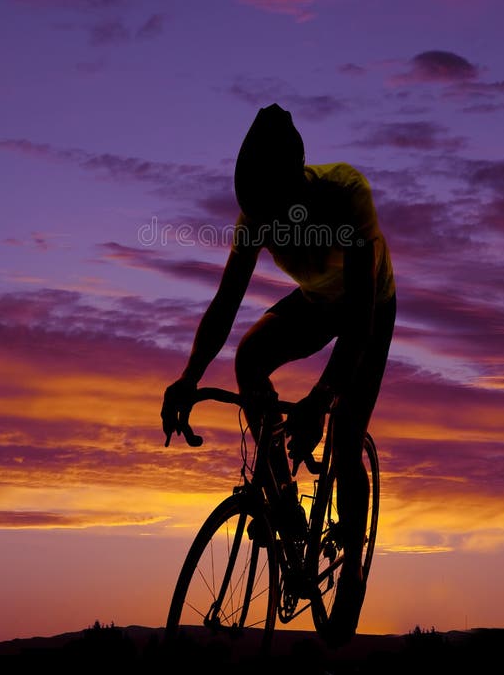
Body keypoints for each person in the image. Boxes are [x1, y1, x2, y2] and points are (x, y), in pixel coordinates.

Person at [161, 103, 396, 644]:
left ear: (297, 185)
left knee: (343, 438)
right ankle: (286, 508)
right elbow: (225, 305)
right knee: (248, 359)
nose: (264, 223)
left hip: (369, 307)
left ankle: (353, 573)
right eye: (256, 211)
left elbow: (359, 323)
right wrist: (188, 375)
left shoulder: (345, 195)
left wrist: (320, 399)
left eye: (272, 209)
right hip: (318, 300)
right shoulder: (257, 218)